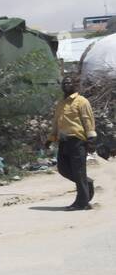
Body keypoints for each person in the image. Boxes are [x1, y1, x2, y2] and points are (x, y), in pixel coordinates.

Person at [51, 75, 97, 210]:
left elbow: (88, 121)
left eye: (69, 83)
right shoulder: (61, 103)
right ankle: (86, 183)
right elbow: (56, 122)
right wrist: (51, 138)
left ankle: (82, 202)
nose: (66, 85)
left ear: (75, 85)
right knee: (63, 169)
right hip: (63, 141)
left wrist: (91, 140)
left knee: (78, 171)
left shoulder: (81, 102)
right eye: (64, 83)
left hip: (77, 141)